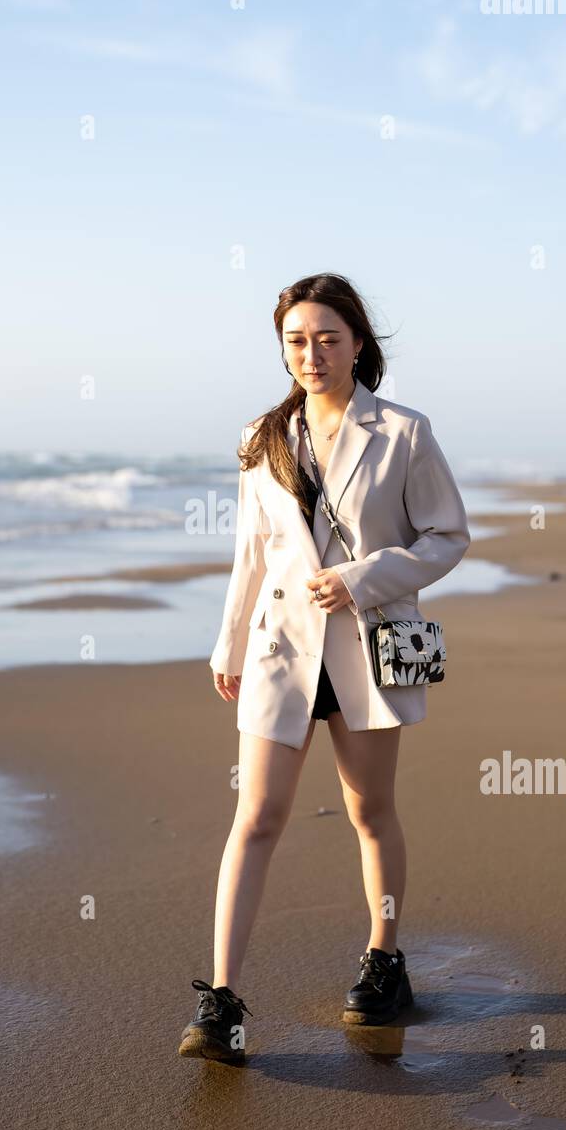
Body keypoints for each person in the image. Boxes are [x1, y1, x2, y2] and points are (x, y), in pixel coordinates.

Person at [178, 272, 470, 1064]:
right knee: (257, 818)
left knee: (368, 811)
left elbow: (448, 537)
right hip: (280, 650)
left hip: (368, 649)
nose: (311, 354)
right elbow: (250, 553)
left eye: (327, 338)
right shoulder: (260, 437)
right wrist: (228, 642)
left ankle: (384, 961)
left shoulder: (404, 432)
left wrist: (362, 577)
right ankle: (222, 1004)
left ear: (359, 343)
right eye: (296, 340)